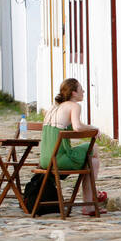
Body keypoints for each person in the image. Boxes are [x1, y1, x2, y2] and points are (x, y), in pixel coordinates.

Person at [40, 78, 106, 214]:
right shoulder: (74, 106)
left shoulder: (53, 107)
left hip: (45, 159)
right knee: (93, 150)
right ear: (74, 93)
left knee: (92, 162)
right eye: (81, 89)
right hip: (60, 158)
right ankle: (90, 202)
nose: (84, 91)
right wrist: (94, 128)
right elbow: (77, 127)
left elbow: (63, 132)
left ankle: (91, 200)